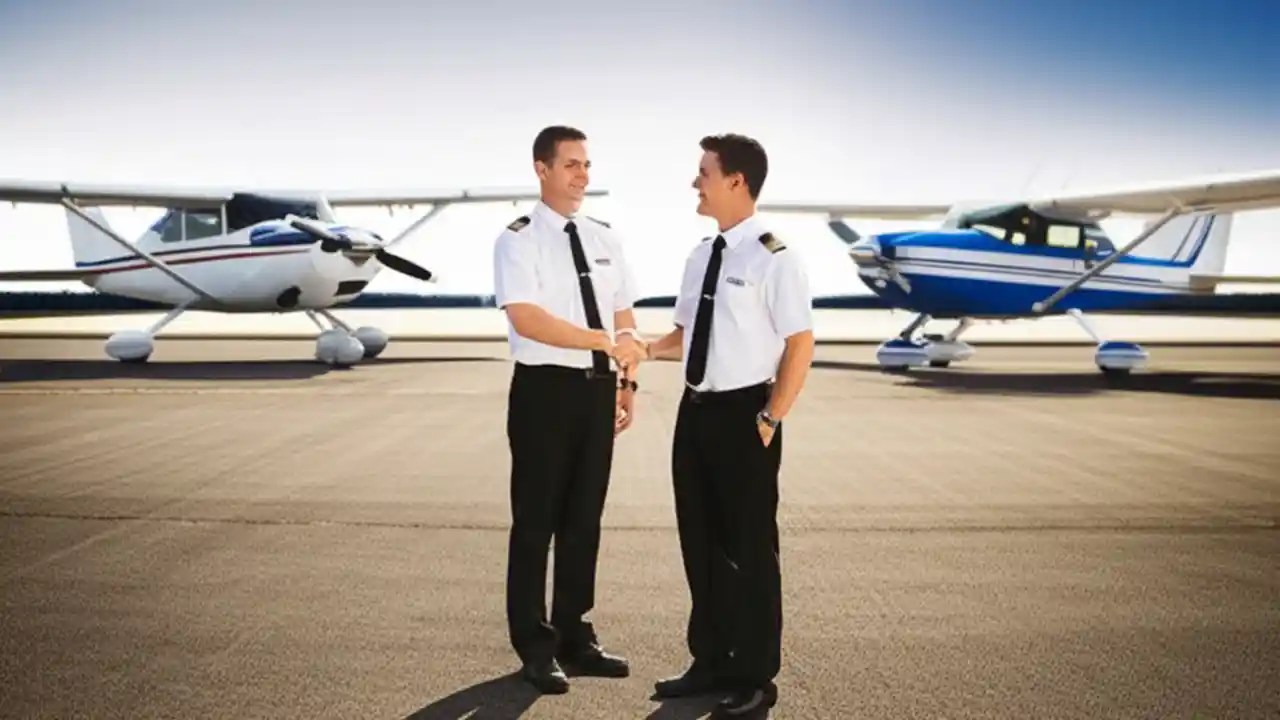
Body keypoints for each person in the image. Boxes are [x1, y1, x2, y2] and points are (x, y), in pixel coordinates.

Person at [644, 133, 814, 719]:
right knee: (701, 542)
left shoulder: (775, 255)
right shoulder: (700, 255)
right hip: (695, 414)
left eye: (704, 173)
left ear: (736, 181)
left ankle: (755, 675)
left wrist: (771, 416)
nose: (696, 183)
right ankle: (710, 660)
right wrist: (641, 350)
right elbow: (687, 336)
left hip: (747, 416)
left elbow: (800, 342)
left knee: (750, 549)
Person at [492, 125, 647, 694]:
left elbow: (623, 313)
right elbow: (526, 318)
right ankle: (535, 647)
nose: (583, 174)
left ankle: (575, 637)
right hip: (543, 393)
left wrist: (626, 379)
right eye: (571, 164)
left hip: (596, 391)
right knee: (536, 523)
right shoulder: (518, 238)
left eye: (586, 164)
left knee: (584, 520)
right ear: (542, 168)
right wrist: (603, 342)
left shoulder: (606, 237)